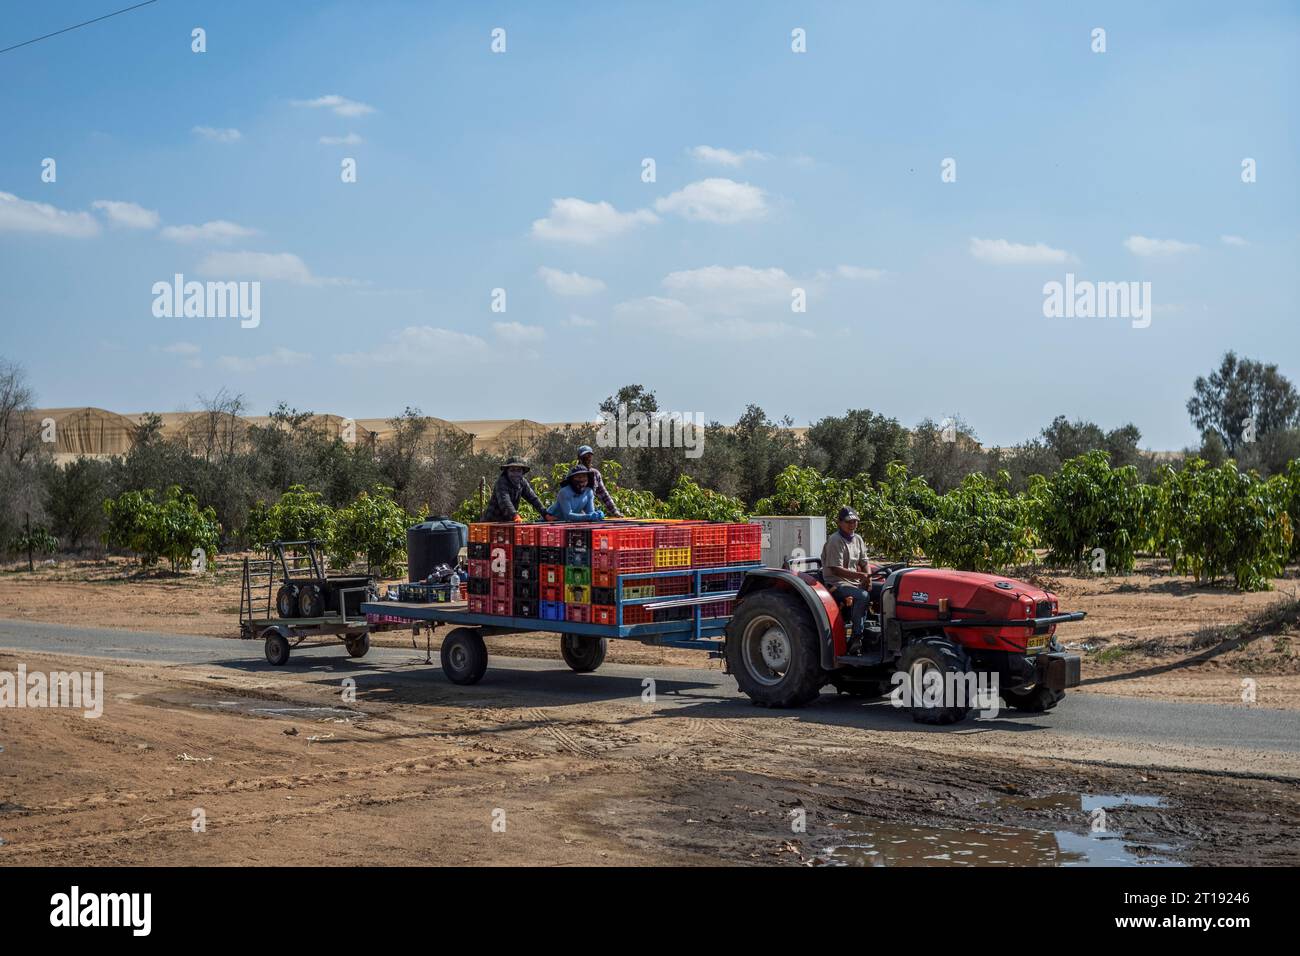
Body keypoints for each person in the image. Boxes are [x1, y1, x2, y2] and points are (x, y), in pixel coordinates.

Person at [820, 506, 873, 645]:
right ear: (840, 522)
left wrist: (869, 577)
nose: (852, 525)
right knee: (862, 596)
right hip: (837, 582)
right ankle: (857, 636)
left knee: (887, 589)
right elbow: (836, 569)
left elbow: (864, 561)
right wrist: (862, 576)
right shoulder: (835, 540)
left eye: (855, 521)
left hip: (854, 581)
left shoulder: (858, 539)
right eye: (849, 522)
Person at [480, 457, 546, 522]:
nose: (516, 474)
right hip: (491, 522)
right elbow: (505, 502)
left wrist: (545, 514)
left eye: (519, 470)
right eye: (512, 470)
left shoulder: (522, 482)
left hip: (507, 522)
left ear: (522, 472)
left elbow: (533, 498)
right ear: (507, 472)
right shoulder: (501, 482)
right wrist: (515, 515)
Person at [576, 445, 622, 518]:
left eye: (589, 456)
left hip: (589, 513)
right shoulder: (572, 474)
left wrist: (614, 511)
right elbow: (567, 497)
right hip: (574, 513)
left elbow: (604, 495)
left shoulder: (595, 474)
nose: (587, 459)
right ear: (579, 459)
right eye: (585, 457)